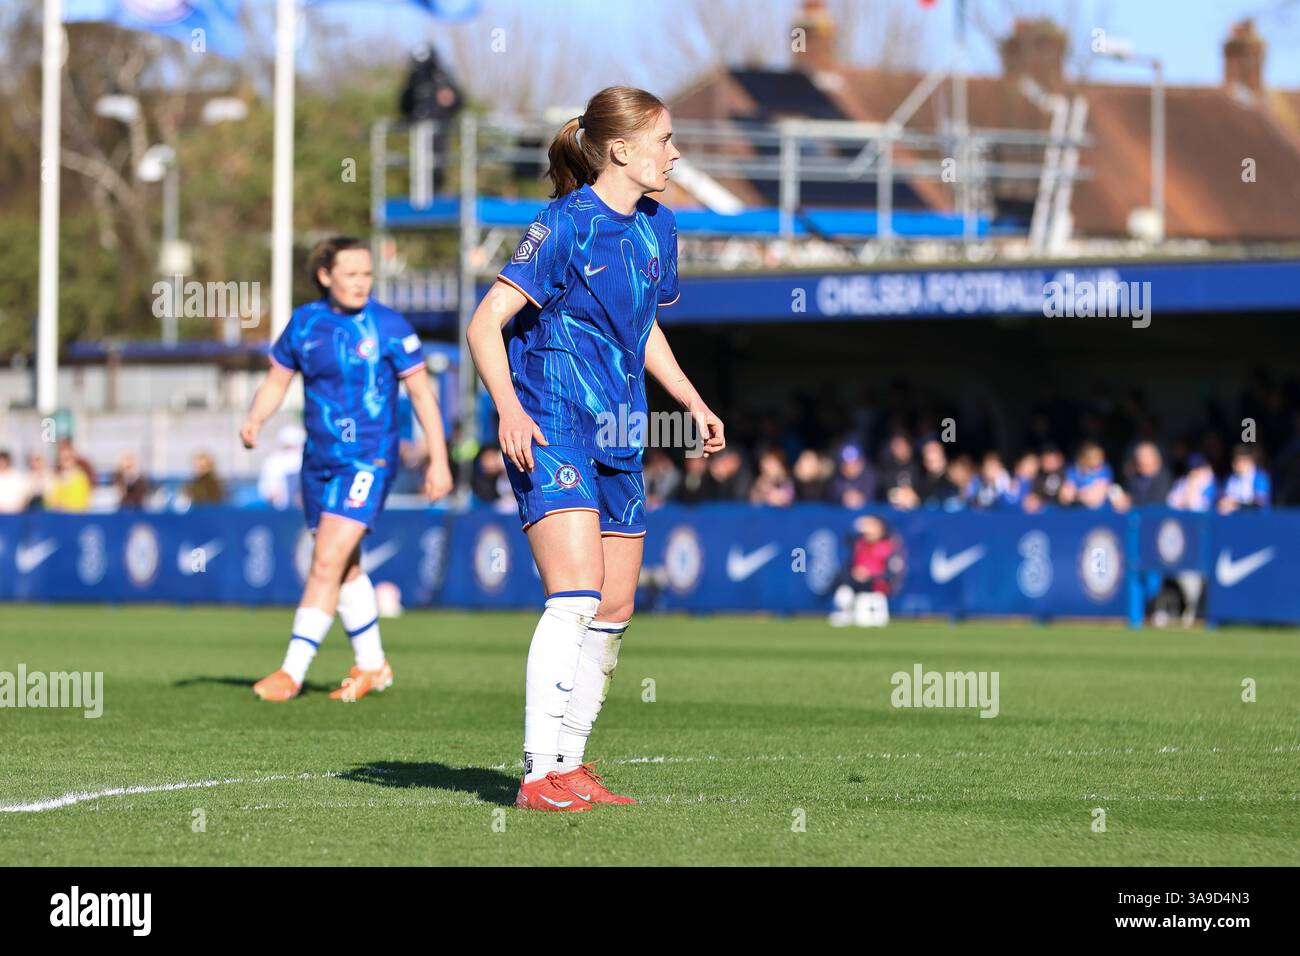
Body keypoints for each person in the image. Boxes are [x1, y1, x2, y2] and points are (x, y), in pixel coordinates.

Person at [466, 87, 724, 811]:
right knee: (575, 594)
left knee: (613, 606)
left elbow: (641, 328)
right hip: (554, 423)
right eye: (665, 139)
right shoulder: (561, 225)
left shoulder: (659, 228)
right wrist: (509, 411)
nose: (674, 154)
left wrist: (693, 400)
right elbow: (486, 324)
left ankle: (570, 766)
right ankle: (534, 775)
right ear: (621, 149)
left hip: (622, 430)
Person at [242, 236, 453, 702]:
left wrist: (439, 458)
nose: (361, 283)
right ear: (325, 276)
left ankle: (291, 673)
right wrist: (257, 418)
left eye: (367, 274)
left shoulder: (388, 326)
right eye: (351, 274)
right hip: (317, 462)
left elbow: (422, 394)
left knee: (326, 561)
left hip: (368, 459)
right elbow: (277, 381)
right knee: (345, 565)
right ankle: (374, 666)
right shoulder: (304, 324)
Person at [1218, 445, 1271, 513]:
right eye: (1235, 461)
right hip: (1233, 519)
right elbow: (1222, 499)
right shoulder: (1230, 478)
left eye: (1240, 461)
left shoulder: (1260, 477)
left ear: (1248, 461)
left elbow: (1260, 502)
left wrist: (1236, 504)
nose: (1235, 465)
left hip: (1256, 520)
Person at [45, 442, 92, 512]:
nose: (65, 461)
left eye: (67, 458)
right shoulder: (56, 478)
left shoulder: (80, 477)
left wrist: (63, 505)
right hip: (58, 517)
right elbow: (49, 502)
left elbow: (81, 503)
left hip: (74, 517)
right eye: (62, 458)